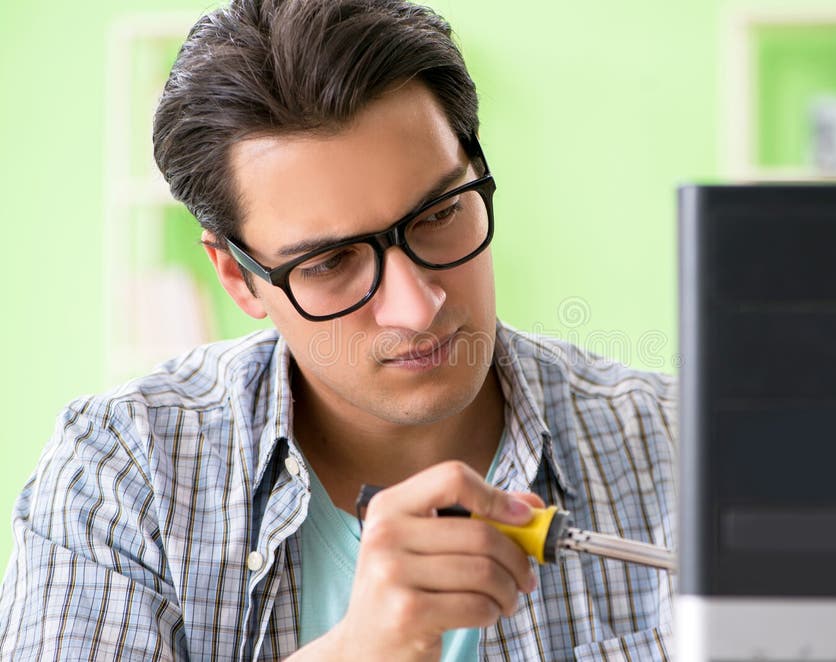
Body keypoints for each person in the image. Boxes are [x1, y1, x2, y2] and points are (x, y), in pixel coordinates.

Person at [0, 1, 677, 659]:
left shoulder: (686, 443)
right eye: (329, 262)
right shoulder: (123, 472)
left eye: (440, 214)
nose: (417, 307)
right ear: (238, 278)